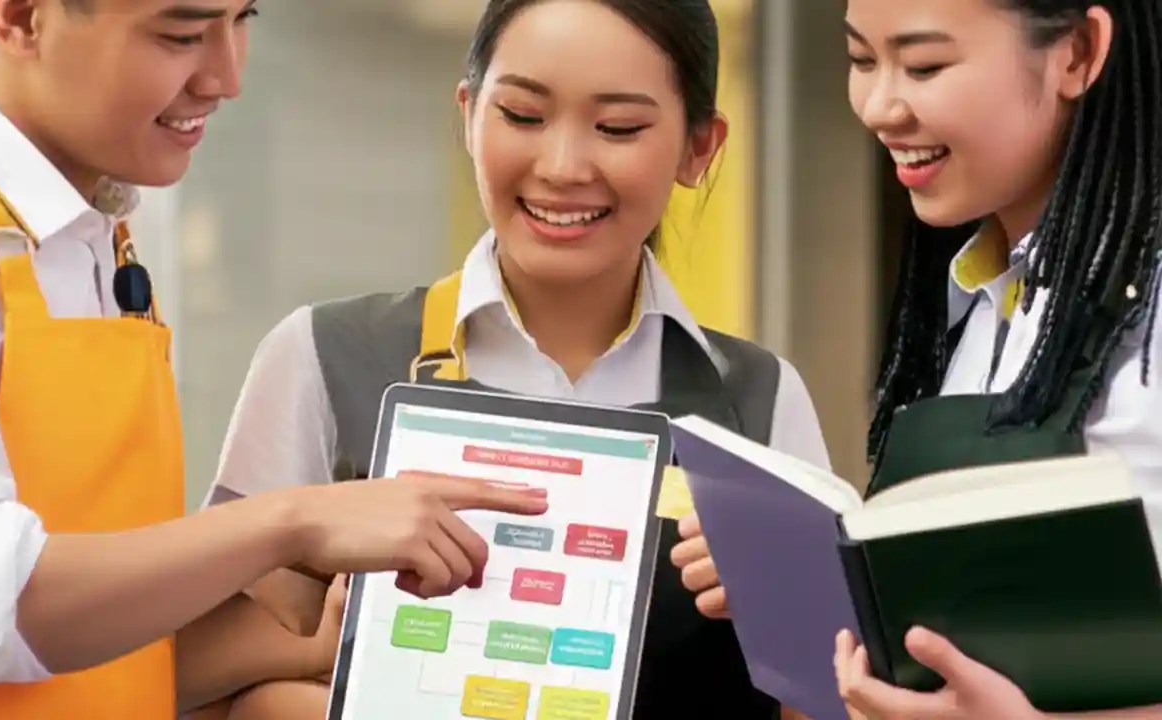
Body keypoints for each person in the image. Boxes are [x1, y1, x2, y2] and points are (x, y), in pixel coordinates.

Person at [0, 1, 549, 718]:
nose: (227, 77)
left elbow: (113, 622)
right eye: (182, 35)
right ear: (19, 17)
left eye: (243, 19)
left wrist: (313, 646)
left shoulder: (95, 222)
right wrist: (295, 521)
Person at [198, 0, 833, 717]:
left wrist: (789, 617)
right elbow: (201, 685)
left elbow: (836, 697)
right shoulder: (322, 357)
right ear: (468, 115)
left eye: (618, 128)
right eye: (523, 116)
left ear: (699, 149)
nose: (562, 167)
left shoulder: (759, 402)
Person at [826, 0, 1162, 718]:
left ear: (1077, 53)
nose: (880, 107)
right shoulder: (975, 301)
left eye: (924, 66)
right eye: (860, 60)